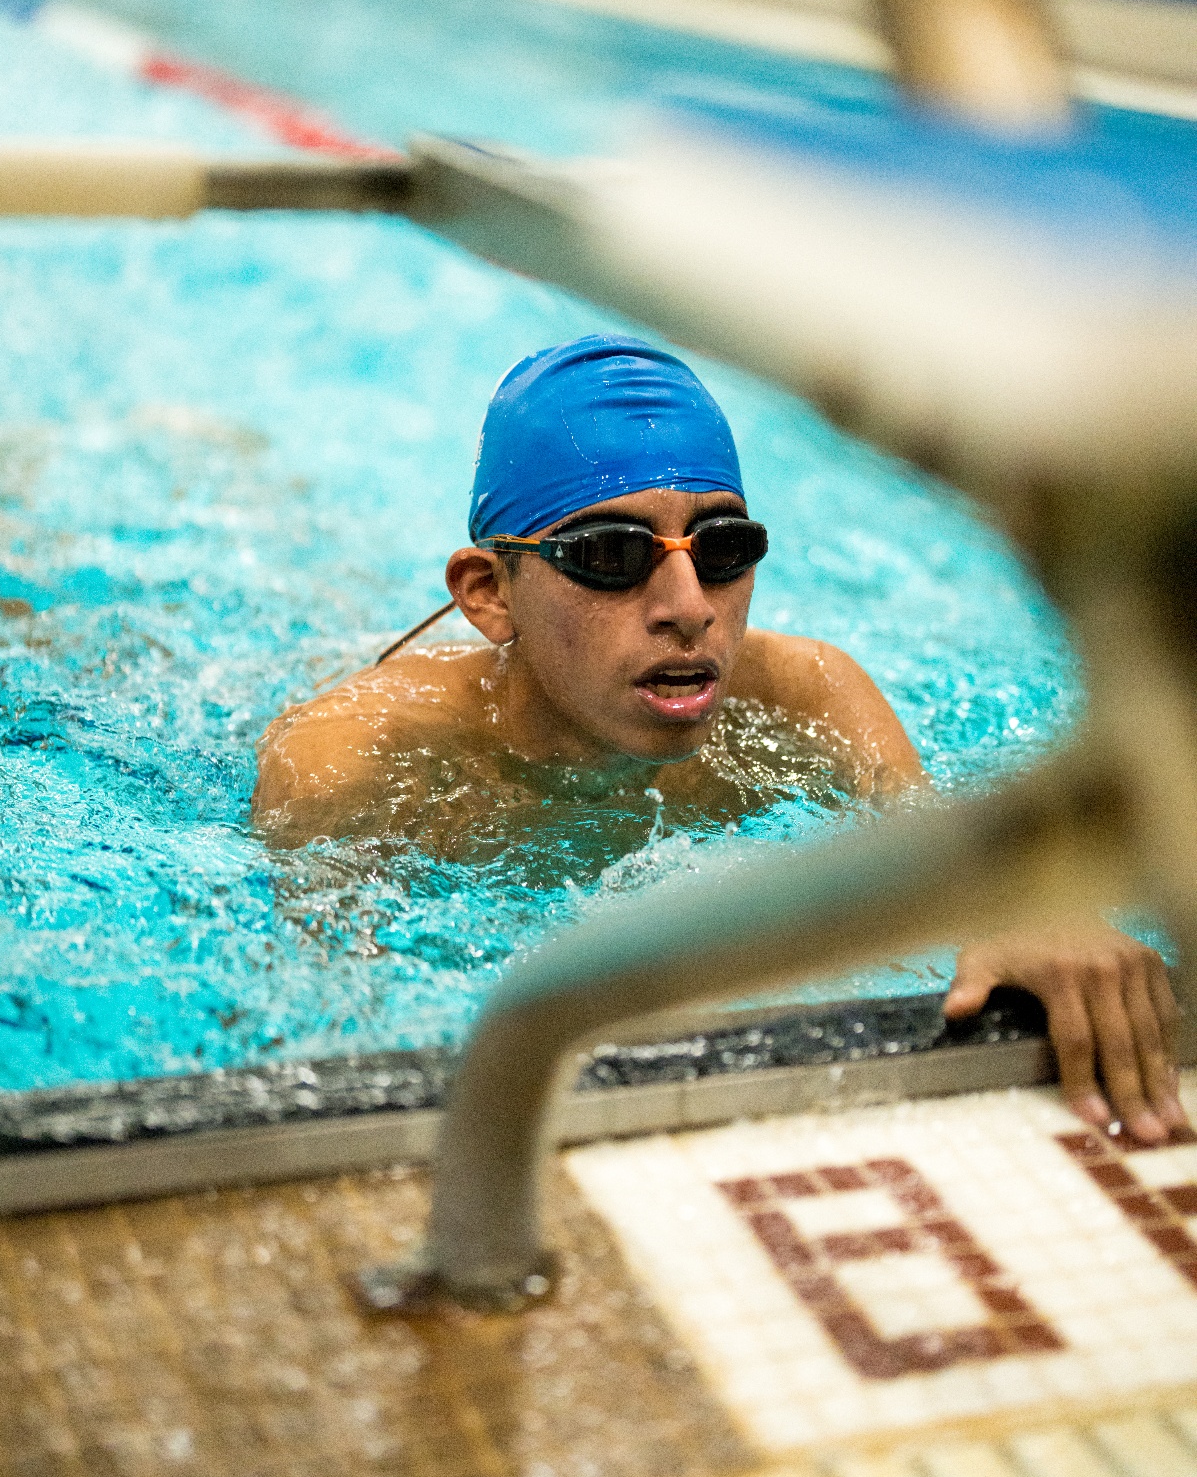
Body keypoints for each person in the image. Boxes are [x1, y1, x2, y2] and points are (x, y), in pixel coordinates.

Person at [256, 335, 1186, 1142]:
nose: (688, 610)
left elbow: (944, 858)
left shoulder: (805, 695)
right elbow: (316, 1035)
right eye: (610, 555)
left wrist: (1027, 902)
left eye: (722, 548)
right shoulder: (352, 758)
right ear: (488, 594)